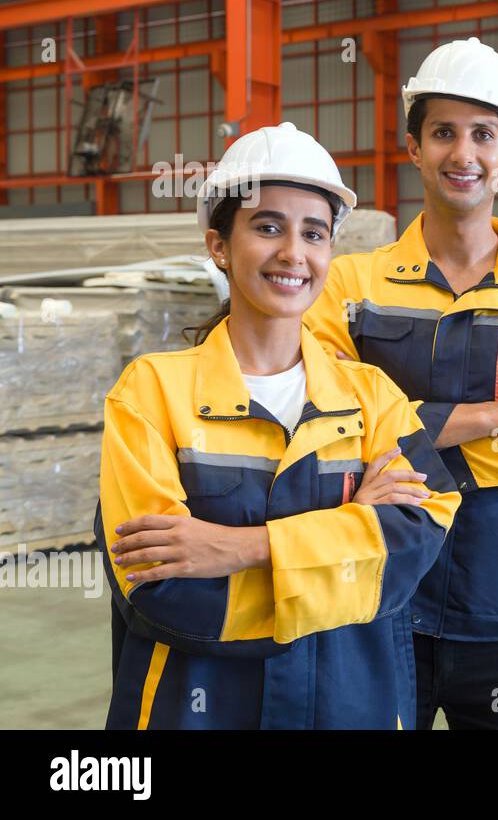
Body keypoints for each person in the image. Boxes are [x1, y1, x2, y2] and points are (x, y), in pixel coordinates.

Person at [95, 122, 462, 729]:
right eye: (268, 227)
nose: (294, 253)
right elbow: (160, 593)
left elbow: (412, 549)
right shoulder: (151, 393)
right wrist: (351, 540)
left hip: (350, 709)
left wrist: (240, 548)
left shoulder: (370, 397)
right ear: (220, 246)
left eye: (313, 233)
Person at [304, 37, 498, 730]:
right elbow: (327, 434)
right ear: (413, 147)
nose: (462, 153)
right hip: (379, 594)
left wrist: (404, 444)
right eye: (442, 132)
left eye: (482, 134)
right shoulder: (350, 287)